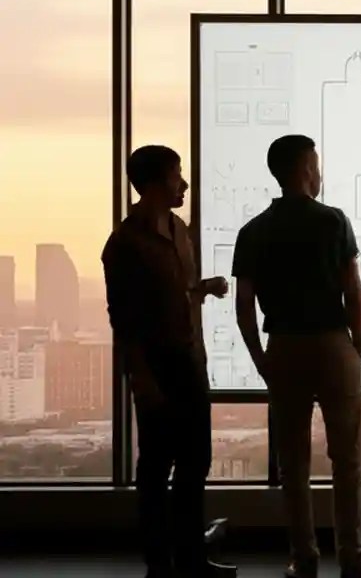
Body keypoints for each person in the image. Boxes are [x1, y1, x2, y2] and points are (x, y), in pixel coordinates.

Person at [231, 135, 361, 578]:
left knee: (293, 461)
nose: (319, 173)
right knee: (347, 457)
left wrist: (260, 358)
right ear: (303, 170)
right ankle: (352, 555)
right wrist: (356, 346)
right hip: (332, 344)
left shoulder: (253, 231)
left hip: (284, 347)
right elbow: (352, 290)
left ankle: (303, 556)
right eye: (315, 165)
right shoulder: (333, 221)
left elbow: (244, 305)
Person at [102, 145, 236, 578]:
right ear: (157, 183)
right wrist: (141, 379)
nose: (185, 183)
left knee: (196, 459)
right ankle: (160, 563)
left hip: (189, 360)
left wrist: (204, 288)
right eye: (178, 175)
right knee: (157, 465)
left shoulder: (179, 229)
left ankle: (191, 558)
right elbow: (124, 320)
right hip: (157, 366)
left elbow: (176, 293)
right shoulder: (126, 243)